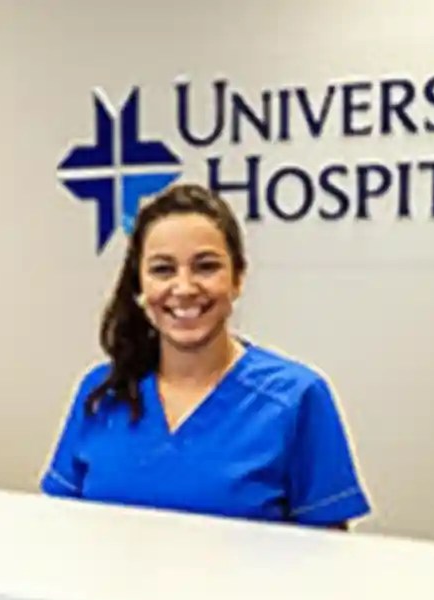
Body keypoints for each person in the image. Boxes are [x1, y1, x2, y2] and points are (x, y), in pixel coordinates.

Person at [41, 183, 370, 528]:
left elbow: (329, 563)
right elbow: (62, 535)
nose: (183, 288)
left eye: (206, 266)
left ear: (238, 278)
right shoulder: (103, 392)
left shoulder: (295, 399)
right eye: (163, 269)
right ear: (140, 285)